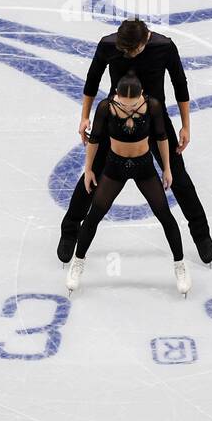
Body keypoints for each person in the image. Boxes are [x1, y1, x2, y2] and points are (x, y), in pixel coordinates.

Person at [58, 17, 212, 265]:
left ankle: (201, 235)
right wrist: (84, 117)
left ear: (146, 39)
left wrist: (186, 125)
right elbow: (92, 80)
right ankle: (69, 233)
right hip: (114, 118)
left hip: (156, 121)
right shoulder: (108, 45)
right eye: (125, 51)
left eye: (134, 50)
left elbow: (180, 85)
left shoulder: (165, 47)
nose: (129, 55)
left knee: (179, 176)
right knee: (92, 174)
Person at [65, 71, 190, 297]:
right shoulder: (106, 107)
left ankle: (180, 266)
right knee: (94, 215)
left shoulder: (152, 105)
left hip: (144, 168)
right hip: (114, 167)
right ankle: (78, 262)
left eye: (133, 105)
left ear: (142, 94)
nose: (129, 108)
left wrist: (167, 169)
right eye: (124, 104)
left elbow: (161, 138)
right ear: (116, 96)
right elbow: (94, 140)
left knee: (165, 215)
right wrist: (88, 170)